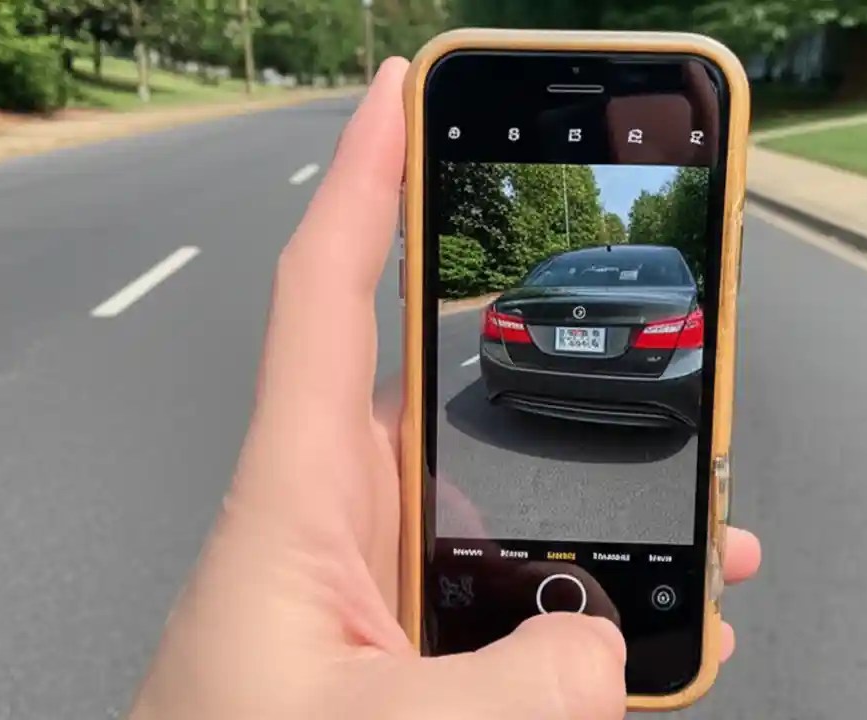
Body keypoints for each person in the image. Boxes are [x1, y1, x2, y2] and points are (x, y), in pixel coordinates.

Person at [127, 56, 761, 720]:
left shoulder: (544, 297)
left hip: (536, 355)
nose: (579, 319)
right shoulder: (674, 284)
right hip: (645, 364)